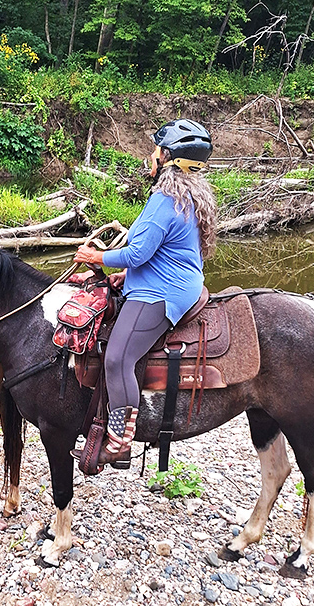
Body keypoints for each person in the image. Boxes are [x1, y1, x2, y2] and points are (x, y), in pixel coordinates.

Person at [72, 118, 217, 469]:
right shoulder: (188, 195)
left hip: (161, 292)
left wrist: (97, 257)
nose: (150, 156)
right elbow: (167, 250)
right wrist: (127, 274)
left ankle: (119, 443)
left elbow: (138, 252)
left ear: (167, 158)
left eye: (156, 150)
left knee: (118, 358)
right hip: (174, 282)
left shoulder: (165, 200)